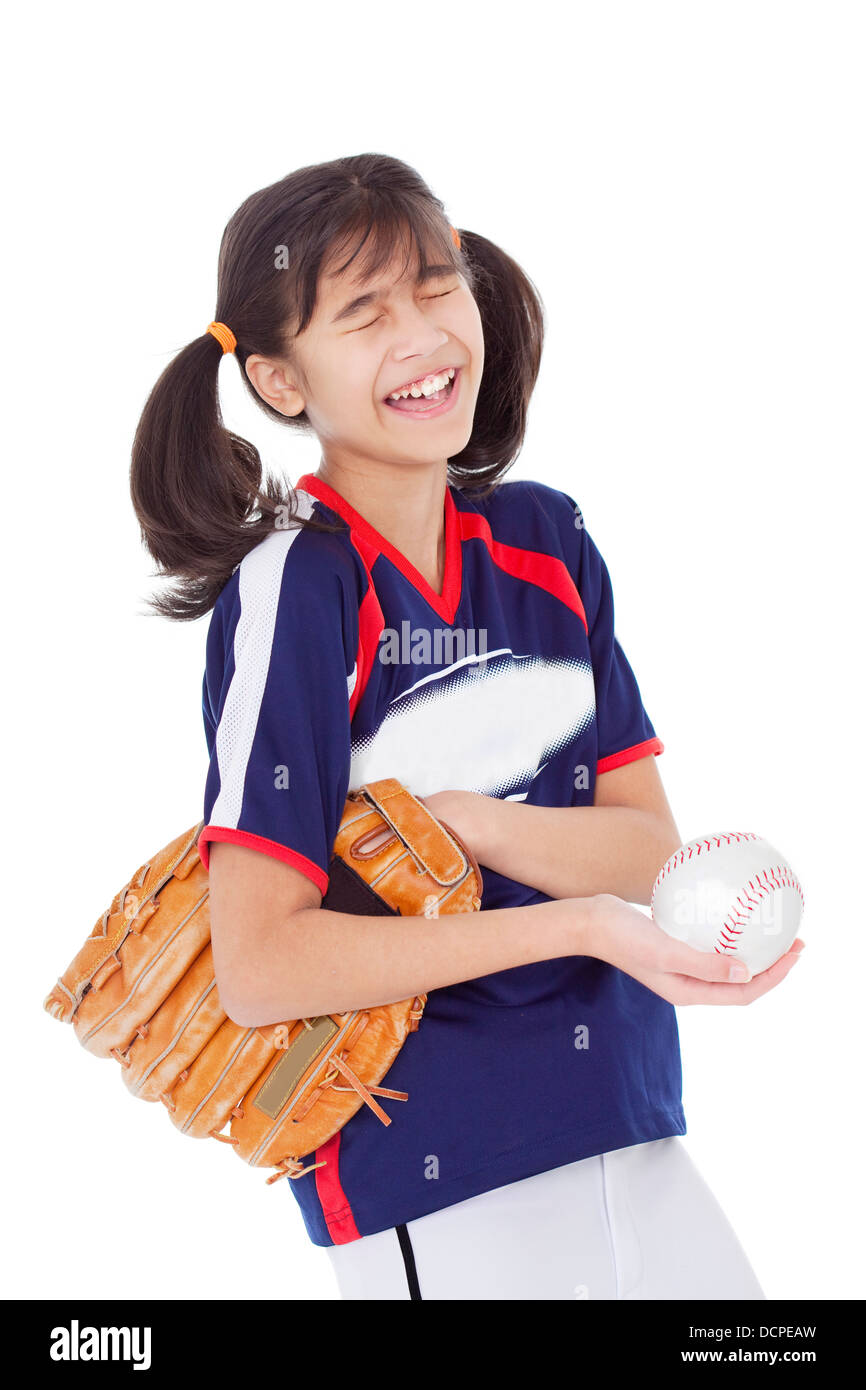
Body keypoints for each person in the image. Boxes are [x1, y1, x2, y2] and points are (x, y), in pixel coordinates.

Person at [129, 153, 804, 1301]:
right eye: (362, 310)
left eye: (437, 283)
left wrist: (465, 824)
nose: (421, 333)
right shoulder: (299, 589)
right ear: (283, 382)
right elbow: (260, 964)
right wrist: (576, 923)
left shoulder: (546, 540)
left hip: (627, 1123)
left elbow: (646, 844)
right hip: (435, 1177)